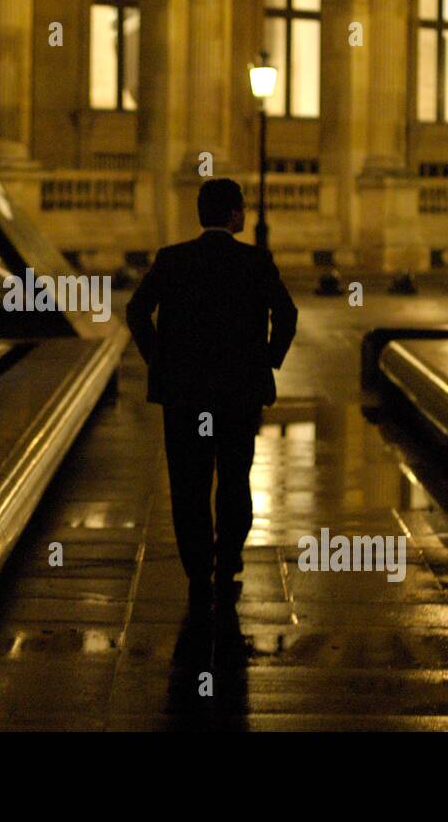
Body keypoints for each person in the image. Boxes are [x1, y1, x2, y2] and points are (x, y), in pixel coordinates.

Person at [126, 177, 298, 608]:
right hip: (238, 394)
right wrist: (267, 360)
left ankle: (198, 569)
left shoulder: (172, 259)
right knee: (235, 478)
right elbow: (288, 315)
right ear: (235, 214)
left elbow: (136, 312)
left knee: (189, 482)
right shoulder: (255, 261)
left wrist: (158, 360)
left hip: (185, 395)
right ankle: (227, 561)